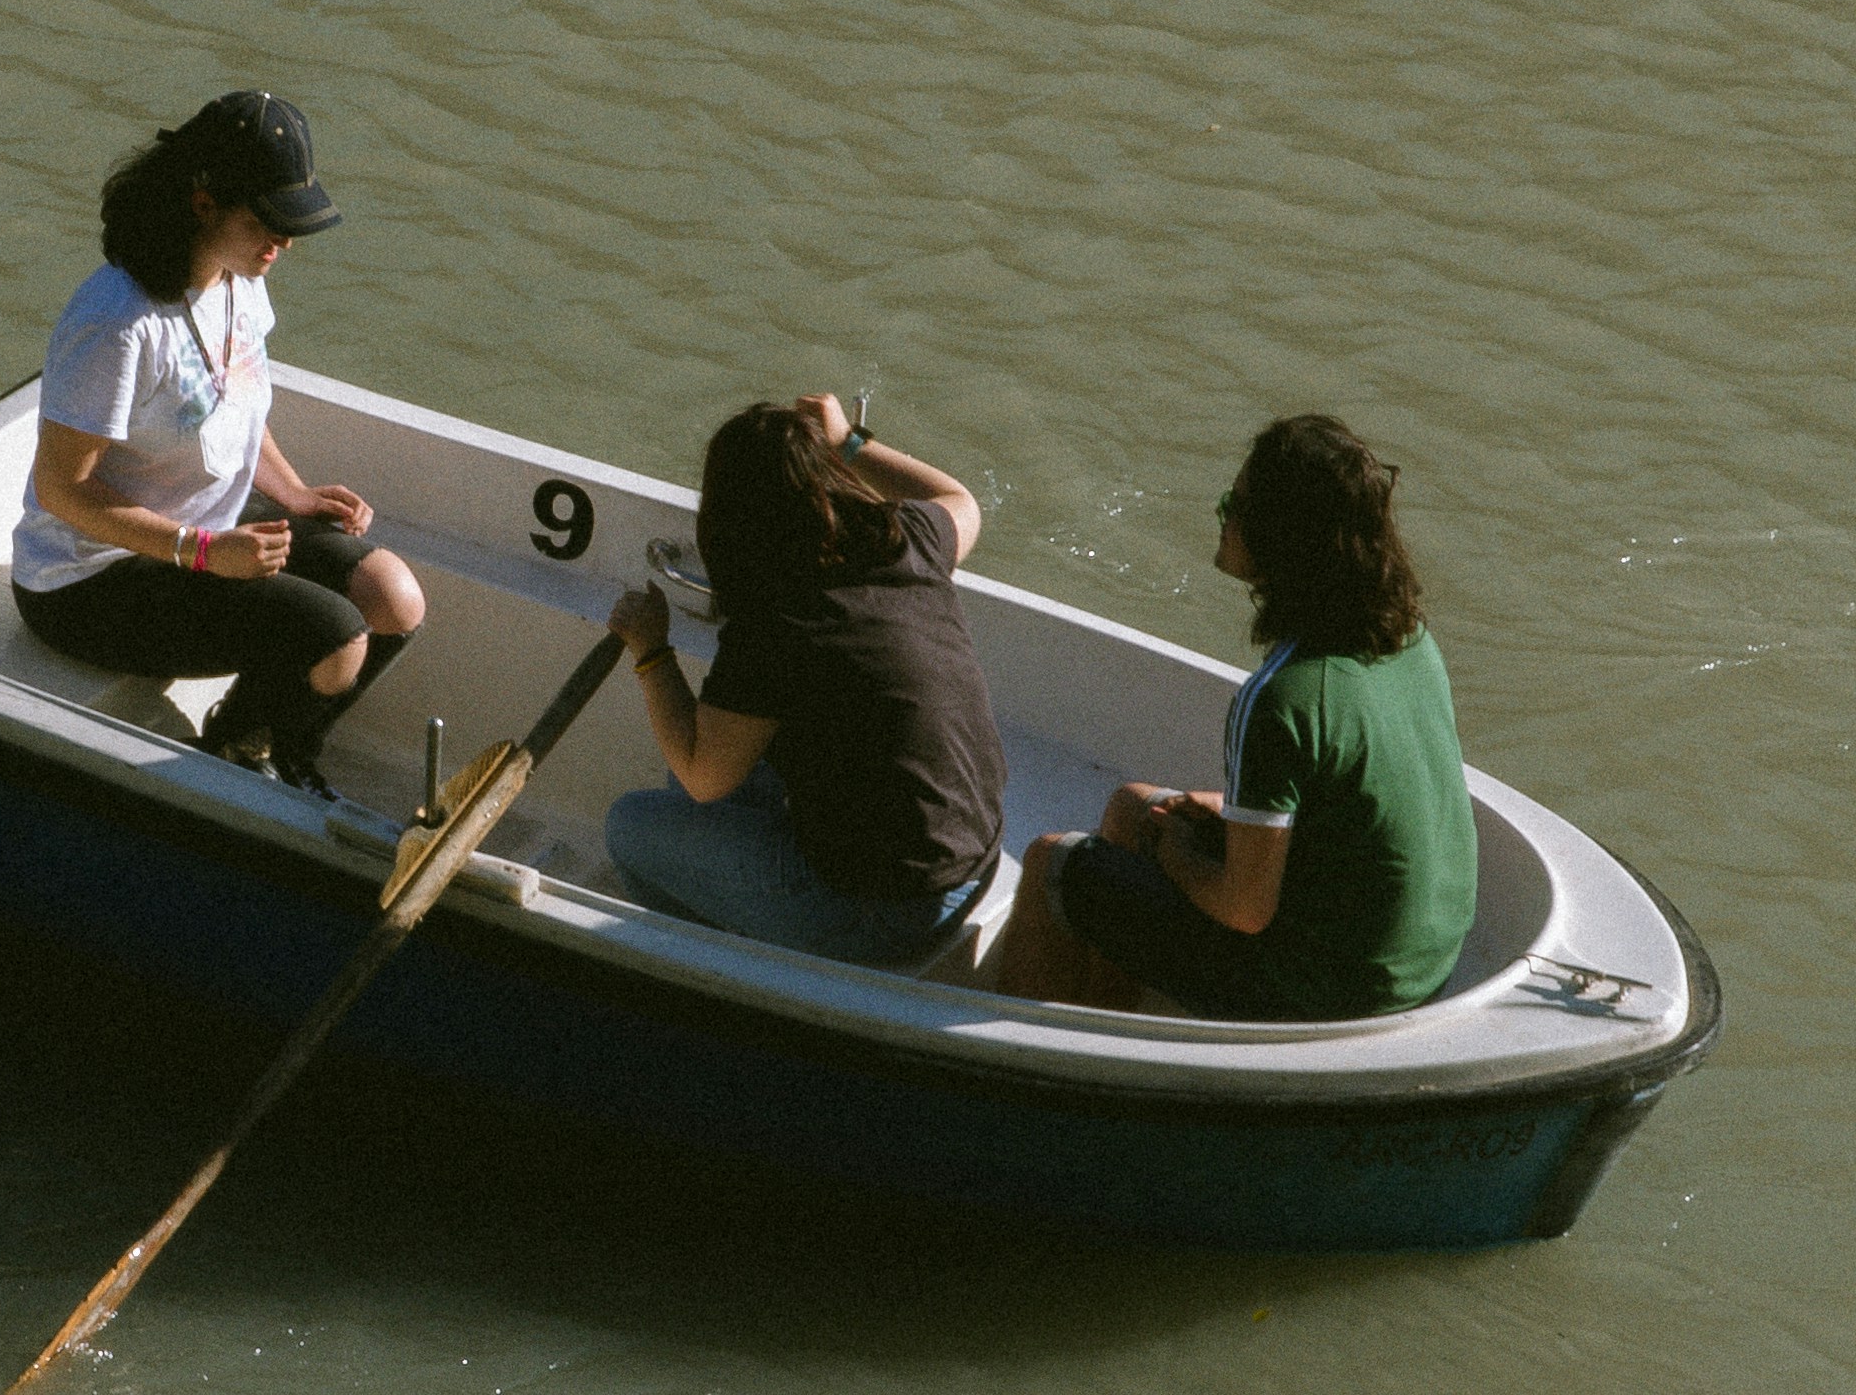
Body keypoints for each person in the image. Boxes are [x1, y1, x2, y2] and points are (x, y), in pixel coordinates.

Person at [987, 412, 1477, 1020]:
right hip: (1420, 963)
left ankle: (1034, 1068)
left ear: (1281, 537)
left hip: (1327, 990)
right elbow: (1343, 802)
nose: (1223, 514)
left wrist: (1170, 852)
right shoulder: (1410, 642)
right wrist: (1209, 813)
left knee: (1051, 862)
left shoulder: (1278, 699)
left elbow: (1244, 909)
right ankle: (1111, 1027)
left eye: (1236, 504)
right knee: (1130, 806)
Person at [8, 90, 424, 792]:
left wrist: (290, 492)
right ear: (203, 203)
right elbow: (62, 490)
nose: (283, 243)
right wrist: (202, 552)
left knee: (393, 598)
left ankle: (267, 741)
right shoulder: (117, 325)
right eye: (268, 221)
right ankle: (237, 757)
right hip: (91, 581)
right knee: (336, 638)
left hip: (205, 533)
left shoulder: (237, 279)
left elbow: (233, 404)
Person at [598, 395, 1006, 967]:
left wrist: (652, 652)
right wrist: (850, 441)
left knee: (632, 827)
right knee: (700, 766)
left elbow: (702, 778)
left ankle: (717, 970)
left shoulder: (775, 622)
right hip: (974, 859)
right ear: (827, 480)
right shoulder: (908, 540)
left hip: (891, 911)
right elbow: (960, 500)